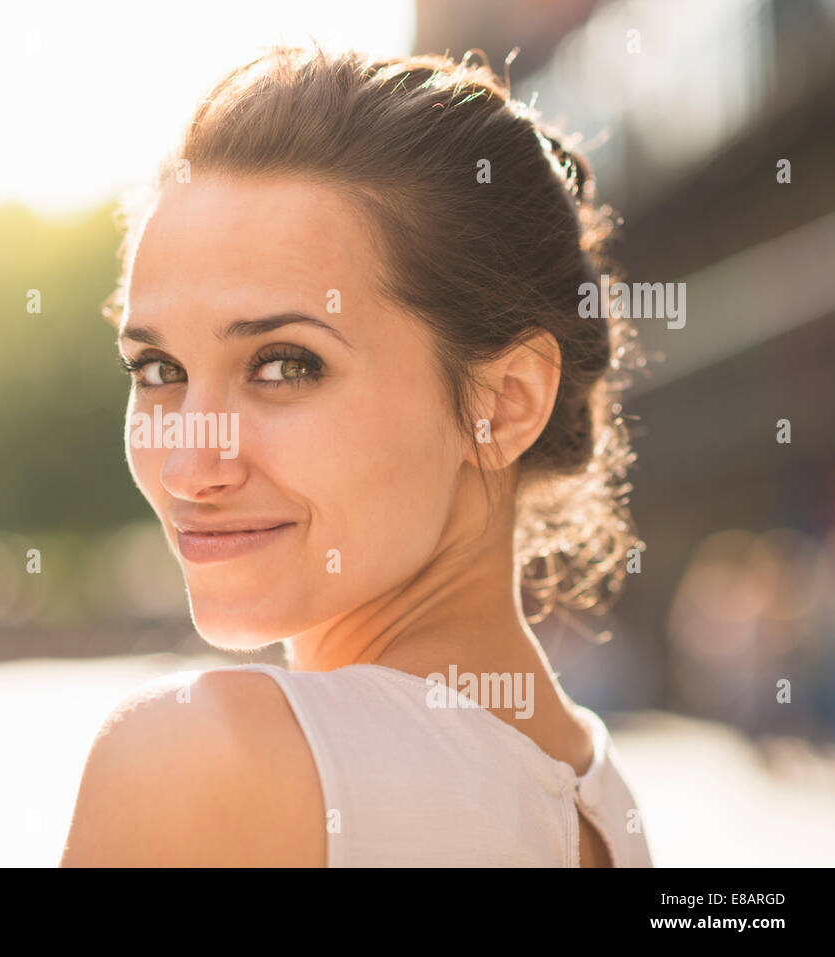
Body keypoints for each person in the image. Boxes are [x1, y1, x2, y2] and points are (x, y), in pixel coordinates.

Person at [61, 44, 652, 867]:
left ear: (506, 400)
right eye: (159, 371)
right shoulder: (601, 800)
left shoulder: (206, 759)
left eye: (285, 366)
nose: (189, 467)